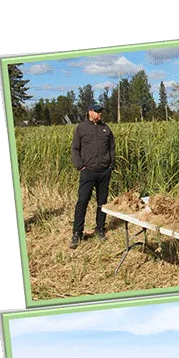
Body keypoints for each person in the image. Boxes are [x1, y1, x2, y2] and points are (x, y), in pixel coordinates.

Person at [69, 102, 115, 249]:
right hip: (88, 172)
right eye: (97, 111)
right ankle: (77, 233)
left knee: (102, 202)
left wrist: (110, 165)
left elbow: (112, 148)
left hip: (104, 172)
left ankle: (100, 228)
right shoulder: (81, 128)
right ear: (90, 112)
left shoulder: (106, 129)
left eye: (100, 111)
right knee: (82, 201)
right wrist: (81, 167)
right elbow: (75, 149)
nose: (99, 113)